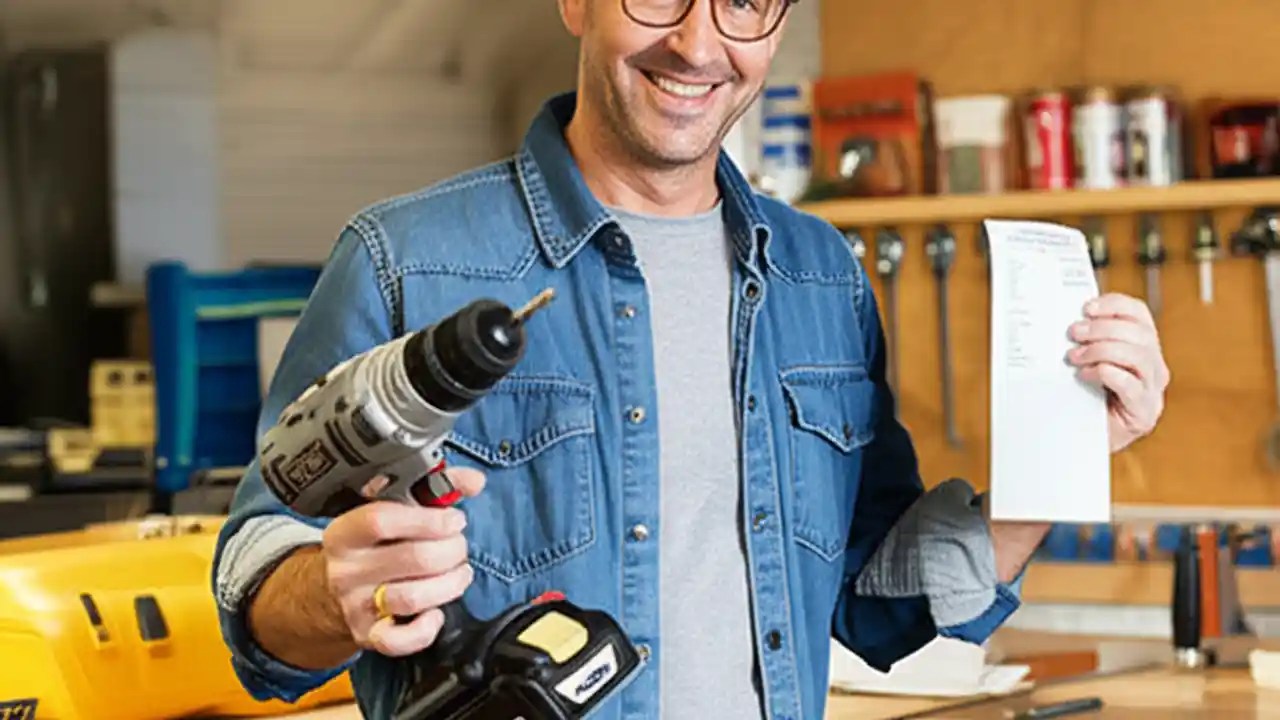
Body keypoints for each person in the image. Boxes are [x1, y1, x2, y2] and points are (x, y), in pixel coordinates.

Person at [211, 0, 1171, 718]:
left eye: (744, 2)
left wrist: (1064, 450)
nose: (699, 44)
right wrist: (331, 595)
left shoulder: (819, 276)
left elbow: (876, 603)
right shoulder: (406, 261)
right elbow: (255, 584)